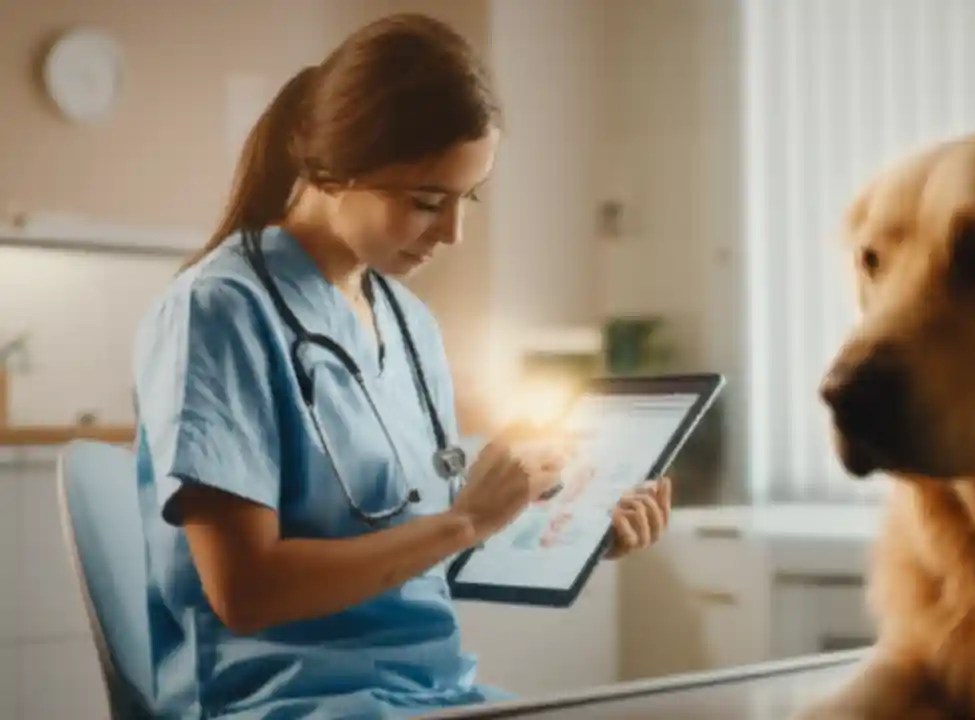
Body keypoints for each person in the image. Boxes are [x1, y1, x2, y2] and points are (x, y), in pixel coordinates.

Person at [131, 13, 673, 719]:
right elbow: (246, 592)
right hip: (285, 702)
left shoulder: (408, 324)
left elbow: (420, 556)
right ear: (332, 166)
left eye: (467, 198)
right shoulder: (220, 310)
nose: (451, 233)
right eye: (426, 202)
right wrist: (466, 522)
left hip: (434, 695)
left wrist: (573, 532)